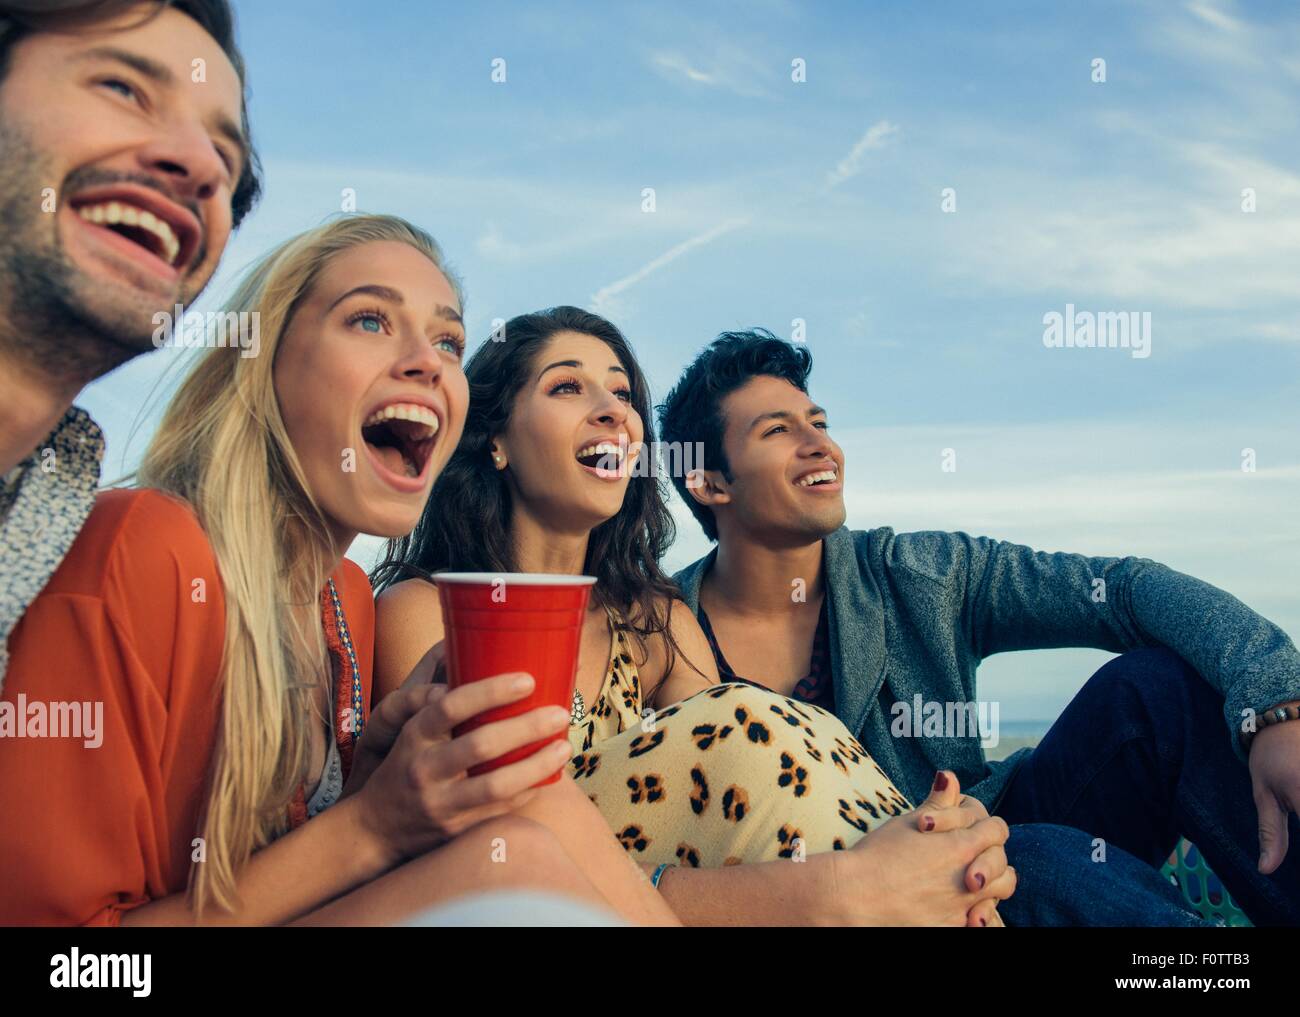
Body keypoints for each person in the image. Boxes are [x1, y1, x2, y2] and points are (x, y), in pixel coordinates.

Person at [0, 215, 677, 926]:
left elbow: (290, 876)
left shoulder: (344, 597)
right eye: (370, 321)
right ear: (262, 361)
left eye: (446, 339)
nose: (428, 361)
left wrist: (367, 784)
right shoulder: (139, 546)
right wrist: (371, 827)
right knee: (511, 855)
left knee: (519, 784)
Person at [372, 306, 1021, 926]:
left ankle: (936, 874)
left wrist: (943, 846)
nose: (613, 412)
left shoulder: (654, 620)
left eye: (623, 394)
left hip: (667, 891)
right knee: (746, 721)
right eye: (568, 386)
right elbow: (466, 852)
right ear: (495, 441)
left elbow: (746, 787)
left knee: (765, 729)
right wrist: (823, 895)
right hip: (513, 901)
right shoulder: (425, 613)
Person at [657, 328, 1300, 926]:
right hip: (824, 907)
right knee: (1035, 862)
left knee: (1153, 694)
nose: (820, 443)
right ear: (710, 481)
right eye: (778, 430)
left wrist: (1275, 706)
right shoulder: (655, 632)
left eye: (819, 423)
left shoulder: (923, 574)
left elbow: (1124, 591)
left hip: (991, 848)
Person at [0, 0, 260, 684]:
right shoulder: (131, 550)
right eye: (123, 88)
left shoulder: (50, 495)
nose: (203, 168)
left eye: (226, 162)